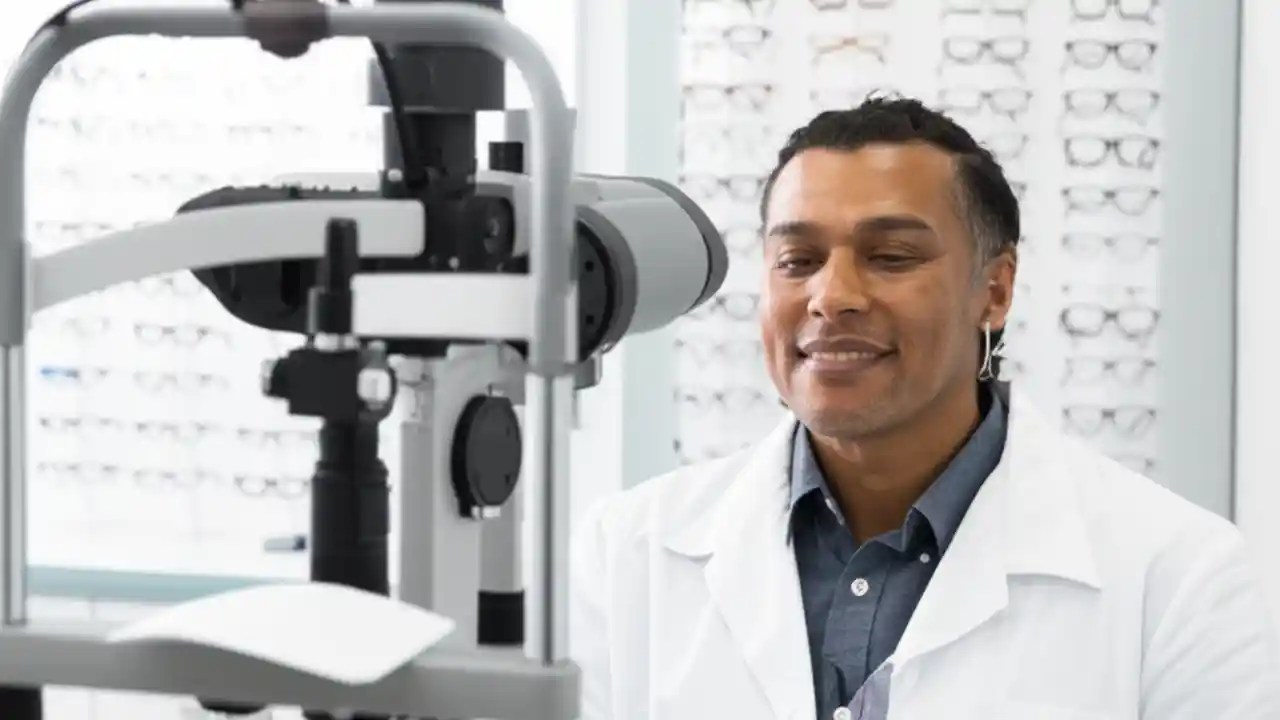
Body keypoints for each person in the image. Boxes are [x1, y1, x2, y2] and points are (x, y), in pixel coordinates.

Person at [568, 96, 1280, 719]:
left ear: (995, 291)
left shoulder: (1177, 575)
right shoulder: (627, 555)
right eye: (797, 260)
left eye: (892, 256)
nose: (831, 295)